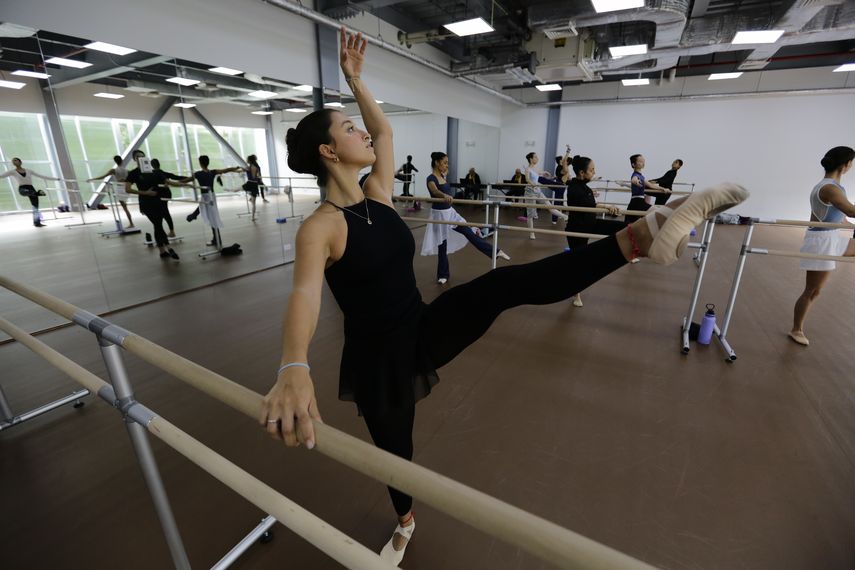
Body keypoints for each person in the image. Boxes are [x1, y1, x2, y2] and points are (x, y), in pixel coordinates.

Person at [261, 28, 747, 568]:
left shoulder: (378, 195)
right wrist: (294, 365)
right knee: (396, 451)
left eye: (359, 125)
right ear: (329, 151)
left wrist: (355, 81)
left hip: (420, 324)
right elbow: (304, 295)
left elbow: (383, 128)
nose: (366, 133)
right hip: (379, 361)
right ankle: (405, 523)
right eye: (350, 130)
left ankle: (639, 239)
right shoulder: (321, 227)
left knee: (502, 285)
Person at [789, 146, 855, 346]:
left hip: (830, 237)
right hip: (821, 242)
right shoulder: (829, 188)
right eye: (851, 162)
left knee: (814, 290)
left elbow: (841, 217)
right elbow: (851, 211)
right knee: (812, 290)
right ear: (845, 165)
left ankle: (796, 328)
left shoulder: (833, 186)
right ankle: (796, 329)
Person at [422, 152, 509, 284]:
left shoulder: (442, 176)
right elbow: (434, 191)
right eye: (444, 162)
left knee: (469, 232)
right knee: (442, 246)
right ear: (436, 163)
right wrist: (443, 195)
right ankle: (443, 274)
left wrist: (445, 177)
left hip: (450, 213)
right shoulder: (431, 178)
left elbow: (442, 183)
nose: (447, 165)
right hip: (438, 215)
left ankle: (495, 252)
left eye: (447, 162)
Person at [564, 155, 624, 307]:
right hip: (577, 228)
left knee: (621, 227)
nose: (594, 173)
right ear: (582, 173)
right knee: (579, 262)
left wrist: (609, 206)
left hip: (590, 223)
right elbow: (590, 206)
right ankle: (576, 294)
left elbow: (593, 203)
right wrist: (607, 207)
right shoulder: (575, 188)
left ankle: (631, 246)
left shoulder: (584, 186)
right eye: (591, 170)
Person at [124, 151, 180, 260]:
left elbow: (167, 181)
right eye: (138, 157)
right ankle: (169, 247)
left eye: (142, 156)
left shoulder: (153, 172)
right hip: (146, 203)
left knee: (157, 225)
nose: (140, 158)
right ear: (135, 160)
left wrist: (186, 184)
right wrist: (146, 193)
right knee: (157, 224)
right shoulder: (133, 173)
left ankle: (162, 251)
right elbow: (128, 189)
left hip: (157, 201)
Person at [187, 156, 243, 247]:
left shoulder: (198, 174)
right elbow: (226, 170)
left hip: (206, 196)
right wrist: (235, 168)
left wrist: (170, 182)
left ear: (200, 163)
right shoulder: (212, 172)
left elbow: (185, 180)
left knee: (211, 216)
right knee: (210, 214)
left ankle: (216, 239)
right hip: (211, 195)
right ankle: (216, 238)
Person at [0, 157, 60, 228]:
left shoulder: (29, 171)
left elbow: (41, 176)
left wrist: (56, 179)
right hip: (22, 188)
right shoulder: (12, 172)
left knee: (35, 206)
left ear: (20, 162)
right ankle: (37, 193)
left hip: (31, 188)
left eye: (15, 160)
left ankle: (37, 223)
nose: (14, 162)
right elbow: (1, 176)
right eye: (13, 161)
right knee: (27, 192)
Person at [524, 152, 568, 239]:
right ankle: (531, 233)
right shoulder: (527, 169)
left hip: (537, 191)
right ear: (531, 159)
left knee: (549, 206)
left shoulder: (535, 169)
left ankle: (565, 216)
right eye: (535, 157)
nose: (537, 159)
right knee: (530, 214)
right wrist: (533, 184)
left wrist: (545, 172)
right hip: (530, 193)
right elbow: (527, 179)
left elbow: (538, 173)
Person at [87, 155, 134, 228]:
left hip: (120, 189)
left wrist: (92, 179)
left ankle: (131, 223)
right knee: (125, 207)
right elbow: (131, 180)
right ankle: (131, 223)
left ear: (115, 162)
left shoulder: (113, 170)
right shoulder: (127, 171)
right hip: (125, 188)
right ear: (121, 161)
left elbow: (102, 177)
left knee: (125, 207)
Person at [624, 154, 668, 222]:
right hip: (637, 203)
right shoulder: (635, 175)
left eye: (643, 161)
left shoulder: (641, 176)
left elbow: (651, 185)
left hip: (639, 203)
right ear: (633, 164)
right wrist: (635, 181)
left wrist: (663, 189)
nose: (643, 163)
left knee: (630, 225)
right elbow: (633, 179)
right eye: (640, 161)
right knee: (658, 211)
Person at [150, 158, 186, 238]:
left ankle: (170, 231)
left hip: (160, 195)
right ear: (159, 164)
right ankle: (169, 231)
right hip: (166, 194)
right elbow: (176, 177)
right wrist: (189, 178)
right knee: (163, 212)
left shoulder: (153, 173)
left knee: (163, 212)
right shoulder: (163, 172)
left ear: (151, 165)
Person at [243, 154, 266, 220]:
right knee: (255, 191)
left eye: (247, 159)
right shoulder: (251, 166)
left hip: (255, 181)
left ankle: (258, 198)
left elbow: (258, 174)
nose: (246, 160)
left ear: (250, 160)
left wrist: (260, 179)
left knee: (259, 189)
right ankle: (252, 198)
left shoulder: (255, 166)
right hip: (253, 182)